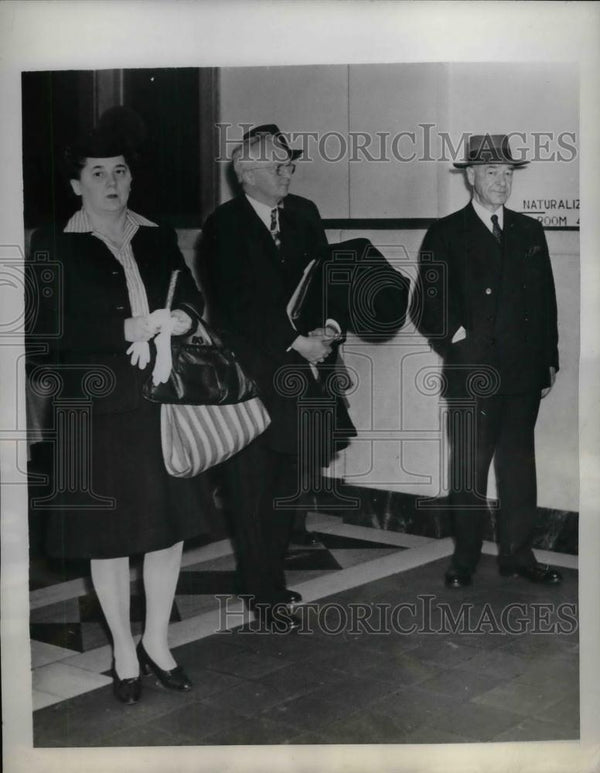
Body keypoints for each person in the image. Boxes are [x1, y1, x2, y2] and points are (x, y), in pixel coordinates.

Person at [26, 114, 210, 703]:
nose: (112, 181)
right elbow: (41, 331)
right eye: (98, 172)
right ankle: (123, 651)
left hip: (158, 405)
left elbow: (191, 294)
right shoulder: (55, 243)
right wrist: (122, 326)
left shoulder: (157, 235)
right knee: (105, 536)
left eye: (121, 171)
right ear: (77, 183)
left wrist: (184, 319)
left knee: (166, 530)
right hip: (93, 408)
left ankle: (157, 641)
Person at [200, 124, 355, 629]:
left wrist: (331, 326)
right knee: (252, 486)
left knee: (288, 479)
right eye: (277, 166)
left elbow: (329, 279)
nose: (288, 173)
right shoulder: (224, 226)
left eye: (290, 165)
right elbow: (235, 308)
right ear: (246, 174)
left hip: (305, 372)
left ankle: (270, 578)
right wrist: (293, 342)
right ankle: (261, 588)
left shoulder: (304, 213)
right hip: (253, 377)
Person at [413, 133, 562, 589]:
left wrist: (549, 359)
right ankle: (465, 558)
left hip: (522, 372)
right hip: (472, 373)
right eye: (492, 172)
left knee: (518, 466)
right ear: (471, 176)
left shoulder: (528, 230)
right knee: (469, 470)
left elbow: (546, 300)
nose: (501, 181)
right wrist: (458, 342)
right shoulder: (446, 232)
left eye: (507, 173)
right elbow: (426, 304)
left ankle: (518, 554)